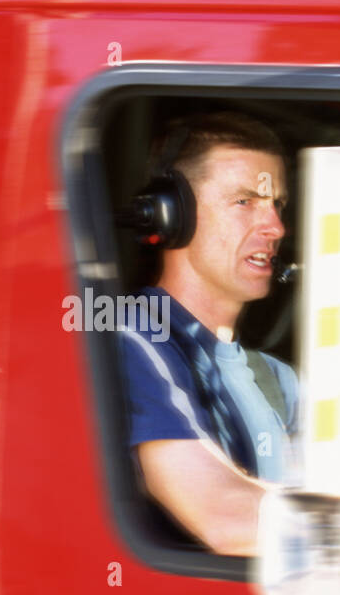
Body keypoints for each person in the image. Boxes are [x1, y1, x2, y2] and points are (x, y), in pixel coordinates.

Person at [119, 112, 296, 556]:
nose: (275, 227)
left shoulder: (277, 379)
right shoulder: (131, 340)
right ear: (171, 215)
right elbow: (225, 516)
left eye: (277, 205)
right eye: (245, 202)